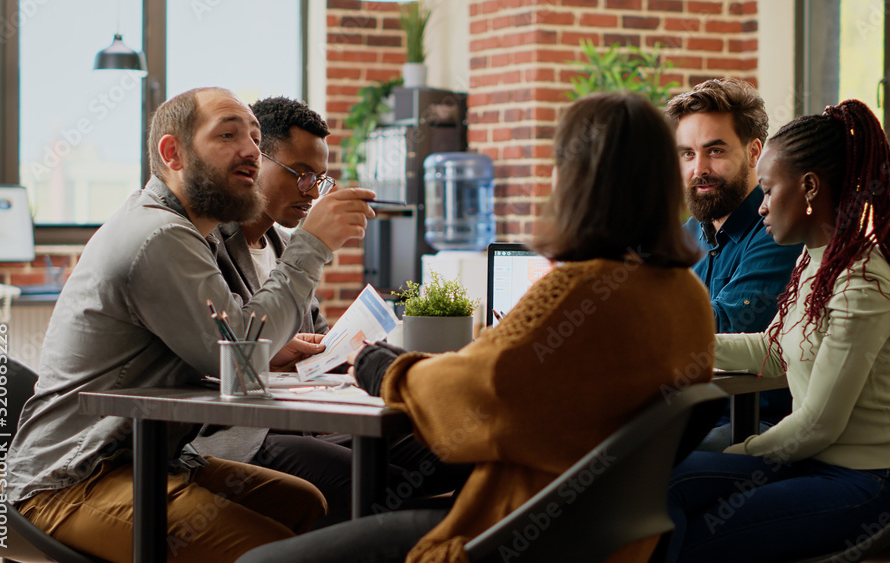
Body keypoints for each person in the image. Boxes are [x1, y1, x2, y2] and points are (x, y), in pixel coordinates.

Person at [238, 92, 716, 563]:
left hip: (508, 537)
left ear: (575, 179)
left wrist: (387, 370)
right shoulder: (688, 296)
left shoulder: (578, 291)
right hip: (600, 540)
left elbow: (480, 395)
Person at [5, 87, 376, 563]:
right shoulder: (157, 234)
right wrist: (313, 245)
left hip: (151, 460)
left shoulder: (187, 234)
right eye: (228, 135)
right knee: (277, 551)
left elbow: (232, 355)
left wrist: (267, 354)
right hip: (72, 477)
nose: (250, 150)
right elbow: (244, 344)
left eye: (255, 137)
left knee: (305, 503)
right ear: (172, 153)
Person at [664, 100, 890, 562]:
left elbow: (818, 423)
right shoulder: (814, 259)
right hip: (814, 462)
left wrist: (739, 452)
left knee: (691, 531)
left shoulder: (861, 280)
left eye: (769, 190)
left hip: (867, 481)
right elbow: (772, 351)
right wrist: (675, 345)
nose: (762, 206)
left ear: (809, 187)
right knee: (663, 488)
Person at [192, 96, 463, 525]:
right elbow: (217, 351)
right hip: (243, 436)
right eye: (300, 173)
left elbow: (317, 344)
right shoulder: (207, 245)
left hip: (302, 423)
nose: (310, 191)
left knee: (454, 450)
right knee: (388, 488)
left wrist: (344, 351)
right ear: (256, 160)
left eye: (319, 179)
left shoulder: (284, 247)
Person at [666, 78, 803, 449]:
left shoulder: (779, 232)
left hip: (755, 422)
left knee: (646, 461)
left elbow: (727, 326)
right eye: (687, 154)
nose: (699, 169)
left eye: (715, 151)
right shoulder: (685, 236)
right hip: (688, 411)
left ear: (754, 152)